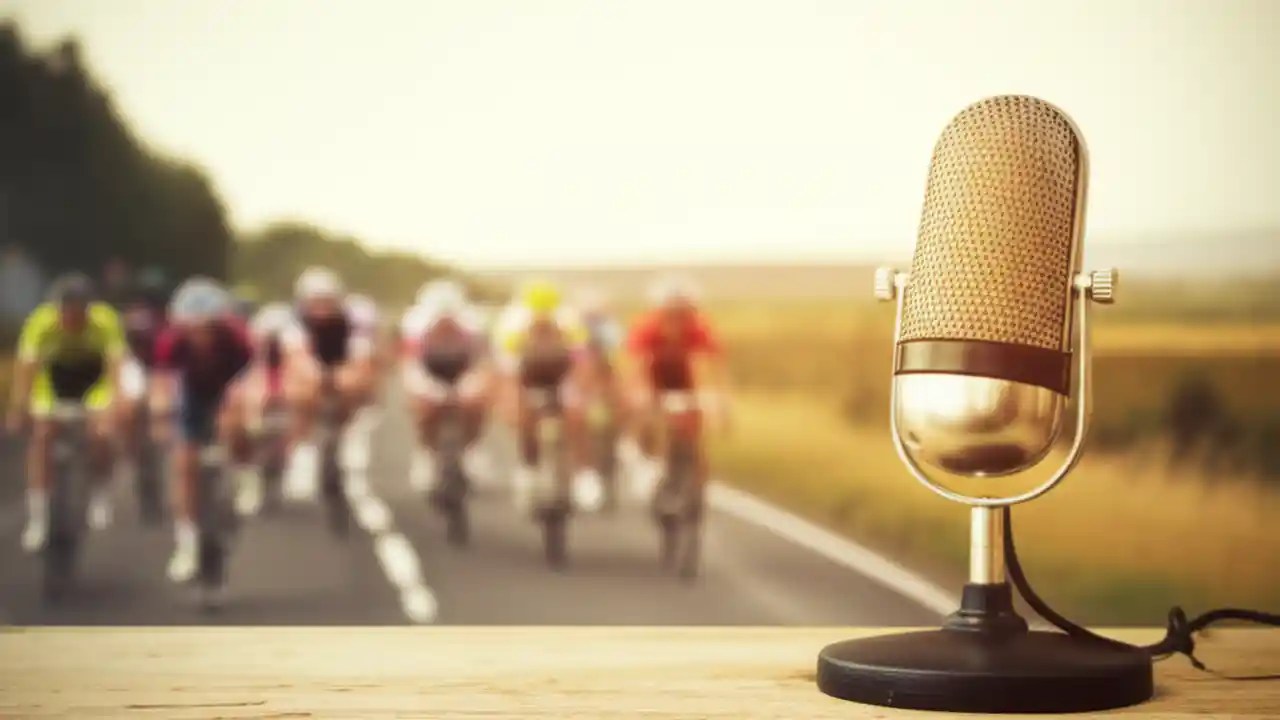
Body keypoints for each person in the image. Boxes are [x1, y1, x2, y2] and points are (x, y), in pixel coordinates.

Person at [6, 273, 126, 551]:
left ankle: (99, 491)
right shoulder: (40, 322)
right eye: (65, 312)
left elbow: (115, 369)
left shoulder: (105, 321)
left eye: (77, 313)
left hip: (93, 379)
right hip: (55, 381)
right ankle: (38, 516)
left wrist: (112, 407)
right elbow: (26, 372)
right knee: (42, 437)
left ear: (88, 309)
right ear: (56, 309)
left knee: (100, 434)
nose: (70, 319)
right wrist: (17, 409)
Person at [150, 278, 255, 582]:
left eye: (207, 328)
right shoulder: (171, 341)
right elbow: (161, 383)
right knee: (184, 463)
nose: (200, 335)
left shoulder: (237, 338)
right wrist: (159, 414)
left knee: (236, 423)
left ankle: (246, 472)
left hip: (230, 389)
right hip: (191, 396)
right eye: (192, 329)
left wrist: (239, 412)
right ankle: (186, 542)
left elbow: (251, 379)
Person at [623, 275, 731, 512]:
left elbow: (712, 367)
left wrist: (720, 405)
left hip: (687, 385)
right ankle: (647, 461)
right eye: (670, 313)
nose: (676, 319)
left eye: (682, 313)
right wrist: (640, 396)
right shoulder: (647, 328)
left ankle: (698, 481)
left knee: (697, 430)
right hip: (654, 382)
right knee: (647, 416)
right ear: (660, 311)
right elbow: (638, 368)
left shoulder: (699, 328)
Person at [492, 278, 598, 512]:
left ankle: (584, 474)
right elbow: (508, 372)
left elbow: (583, 363)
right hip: (527, 376)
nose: (542, 319)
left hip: (562, 377)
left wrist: (581, 393)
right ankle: (528, 470)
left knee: (576, 416)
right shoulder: (513, 325)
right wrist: (512, 401)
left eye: (547, 314)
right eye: (537, 315)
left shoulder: (569, 323)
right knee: (524, 419)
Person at [280, 267, 376, 499]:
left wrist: (347, 379)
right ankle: (302, 455)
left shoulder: (355, 318)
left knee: (357, 384)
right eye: (315, 303)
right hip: (311, 367)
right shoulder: (293, 321)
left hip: (343, 363)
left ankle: (350, 434)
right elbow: (297, 357)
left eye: (327, 302)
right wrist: (318, 378)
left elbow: (361, 356)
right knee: (300, 394)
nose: (321, 309)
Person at [400, 279, 490, 499]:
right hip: (427, 372)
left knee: (475, 406)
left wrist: (471, 389)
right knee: (425, 409)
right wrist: (426, 392)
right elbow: (411, 364)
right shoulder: (415, 324)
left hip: (464, 371)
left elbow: (482, 362)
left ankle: (471, 450)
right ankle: (426, 455)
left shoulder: (473, 323)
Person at [116, 266, 170, 490]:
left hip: (160, 366)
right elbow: (127, 347)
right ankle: (131, 450)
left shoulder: (169, 317)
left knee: (162, 409)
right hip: (136, 364)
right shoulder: (134, 315)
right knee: (131, 408)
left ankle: (159, 450)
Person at [239, 301, 295, 516]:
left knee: (279, 447)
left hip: (282, 405)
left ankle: (279, 475)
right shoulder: (249, 354)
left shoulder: (293, 352)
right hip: (257, 405)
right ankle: (249, 481)